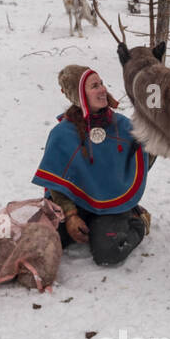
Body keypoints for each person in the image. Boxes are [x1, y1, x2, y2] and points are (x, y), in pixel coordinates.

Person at [32, 64, 154, 266]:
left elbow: (148, 152)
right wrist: (70, 216)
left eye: (102, 83)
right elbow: (58, 183)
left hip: (112, 205)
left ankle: (137, 220)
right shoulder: (62, 134)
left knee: (108, 253)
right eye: (94, 86)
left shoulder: (122, 126)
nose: (102, 89)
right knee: (42, 243)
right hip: (74, 205)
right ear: (80, 95)